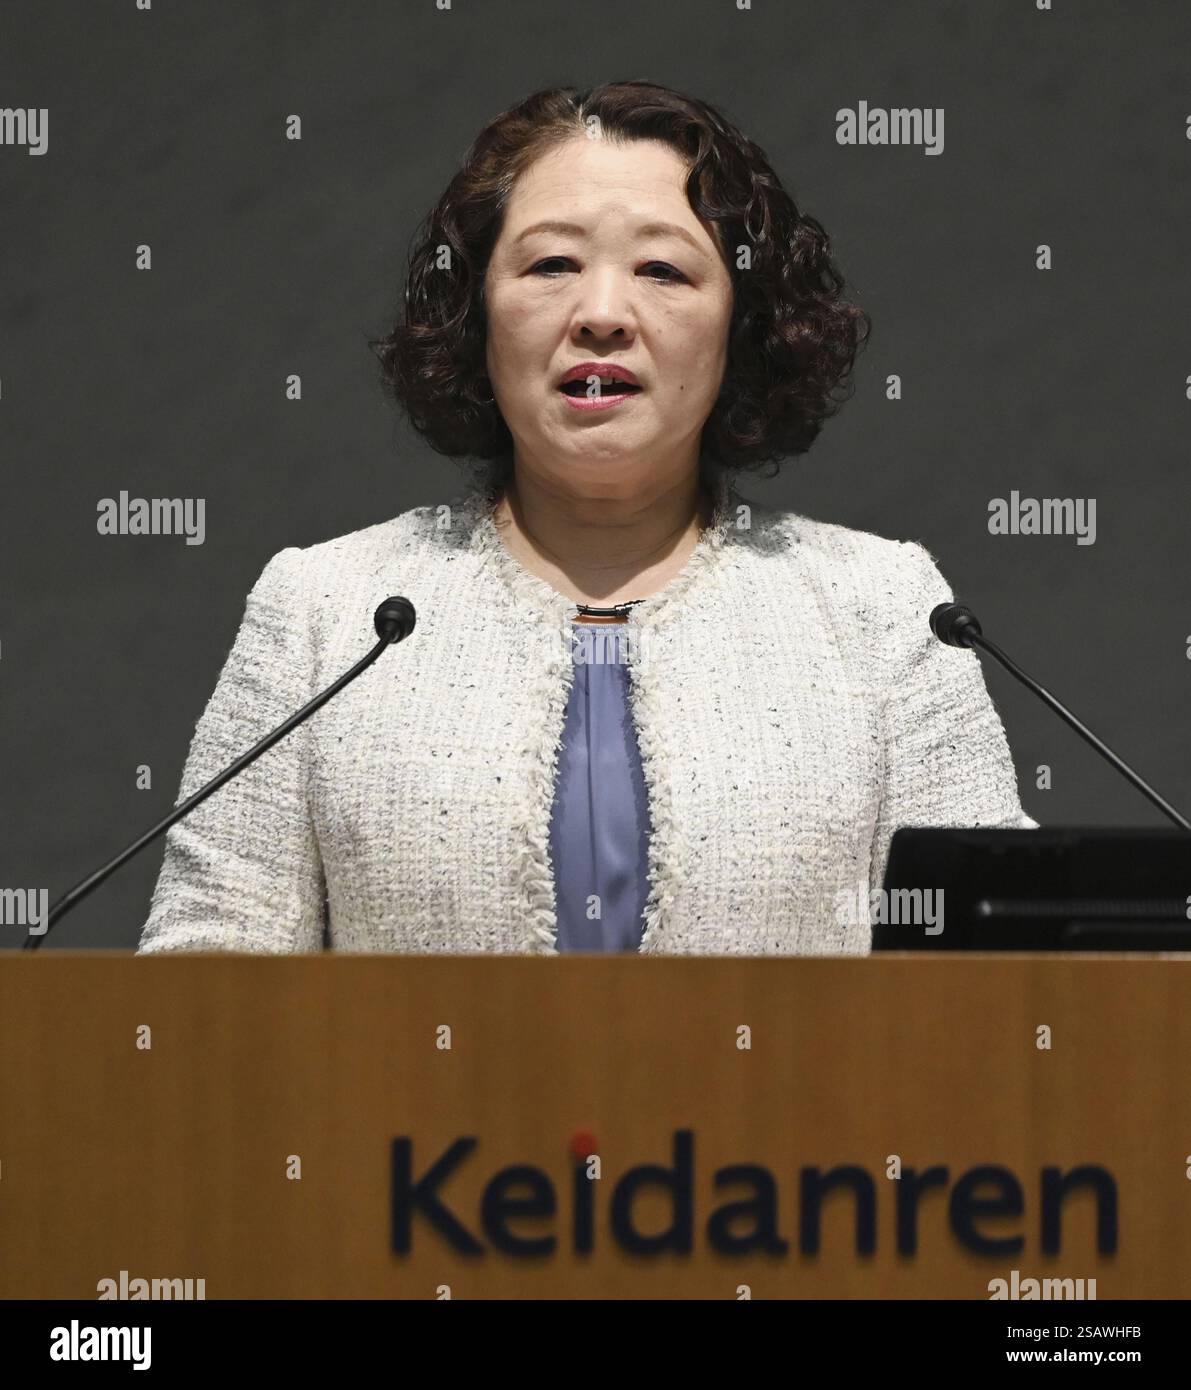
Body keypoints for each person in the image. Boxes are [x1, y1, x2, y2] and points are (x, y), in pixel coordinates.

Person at [136, 80, 1036, 957]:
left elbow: (996, 979)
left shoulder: (882, 608)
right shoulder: (325, 610)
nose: (601, 314)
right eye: (551, 264)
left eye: (661, 269)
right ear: (477, 312)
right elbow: (204, 979)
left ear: (741, 324)